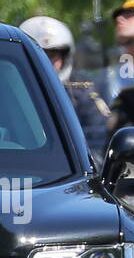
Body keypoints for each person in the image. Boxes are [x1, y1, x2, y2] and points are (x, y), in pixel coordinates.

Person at [20, 15, 112, 157]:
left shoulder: (82, 90)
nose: (47, 62)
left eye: (53, 55)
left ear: (64, 57)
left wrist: (91, 167)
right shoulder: (11, 91)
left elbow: (98, 138)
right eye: (40, 55)